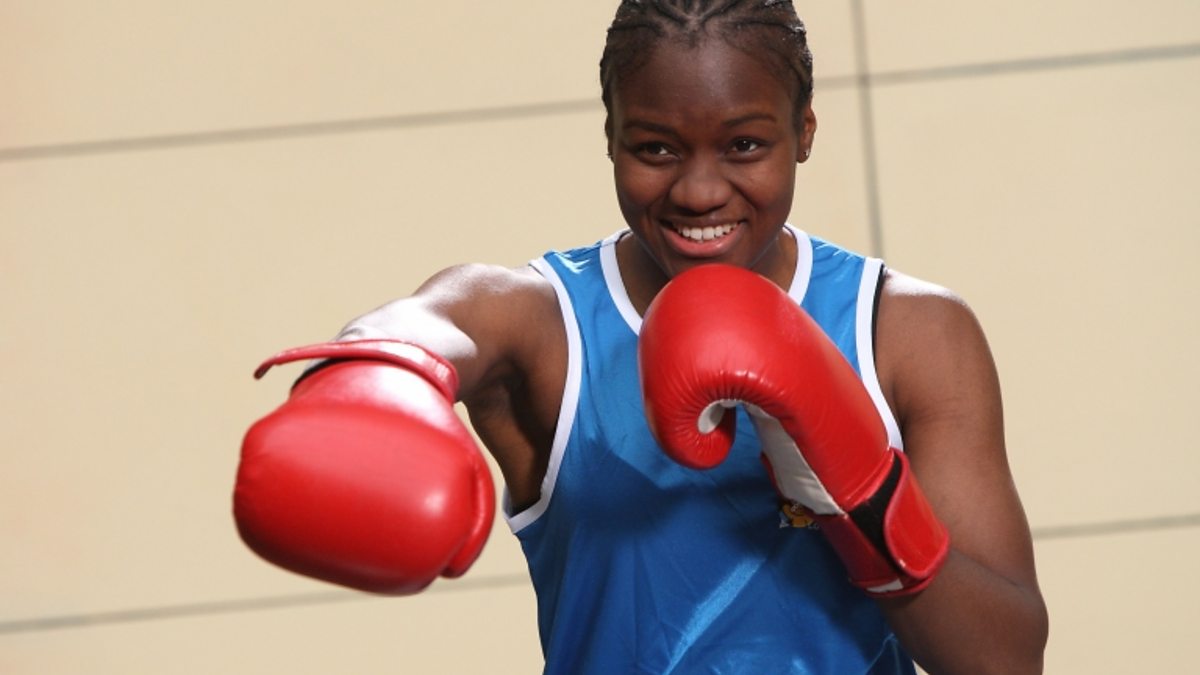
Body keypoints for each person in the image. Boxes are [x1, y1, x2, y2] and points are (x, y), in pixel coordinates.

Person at [234, 1, 1049, 673]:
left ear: (804, 130)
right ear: (611, 138)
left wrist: (864, 495)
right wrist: (380, 376)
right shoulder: (545, 325)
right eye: (655, 147)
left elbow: (1005, 659)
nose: (698, 189)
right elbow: (429, 321)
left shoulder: (905, 332)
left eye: (744, 145)